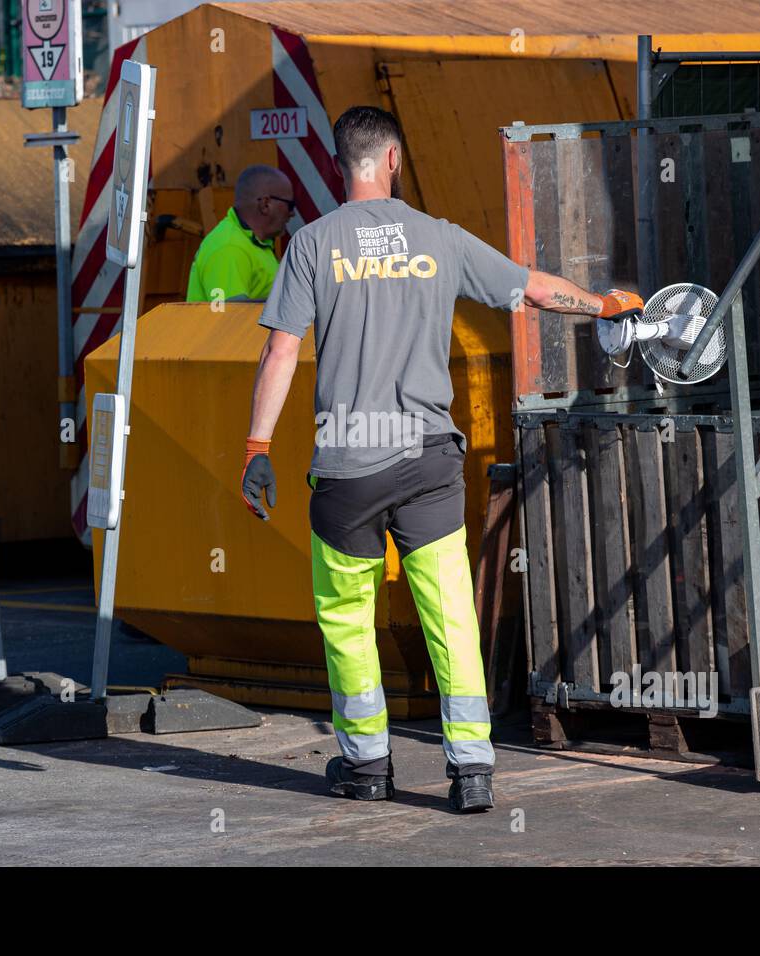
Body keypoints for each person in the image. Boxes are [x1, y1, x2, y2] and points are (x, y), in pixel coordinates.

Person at [239, 106, 644, 812]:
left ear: (343, 164)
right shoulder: (439, 239)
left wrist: (258, 448)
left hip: (346, 467)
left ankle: (366, 765)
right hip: (427, 460)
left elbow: (279, 350)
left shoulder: (310, 245)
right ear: (392, 161)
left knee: (347, 617)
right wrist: (605, 305)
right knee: (450, 611)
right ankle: (473, 770)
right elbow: (532, 289)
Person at [186, 164, 295, 302]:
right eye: (290, 205)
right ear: (265, 204)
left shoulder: (254, 243)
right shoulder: (229, 248)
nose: (292, 213)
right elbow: (228, 313)